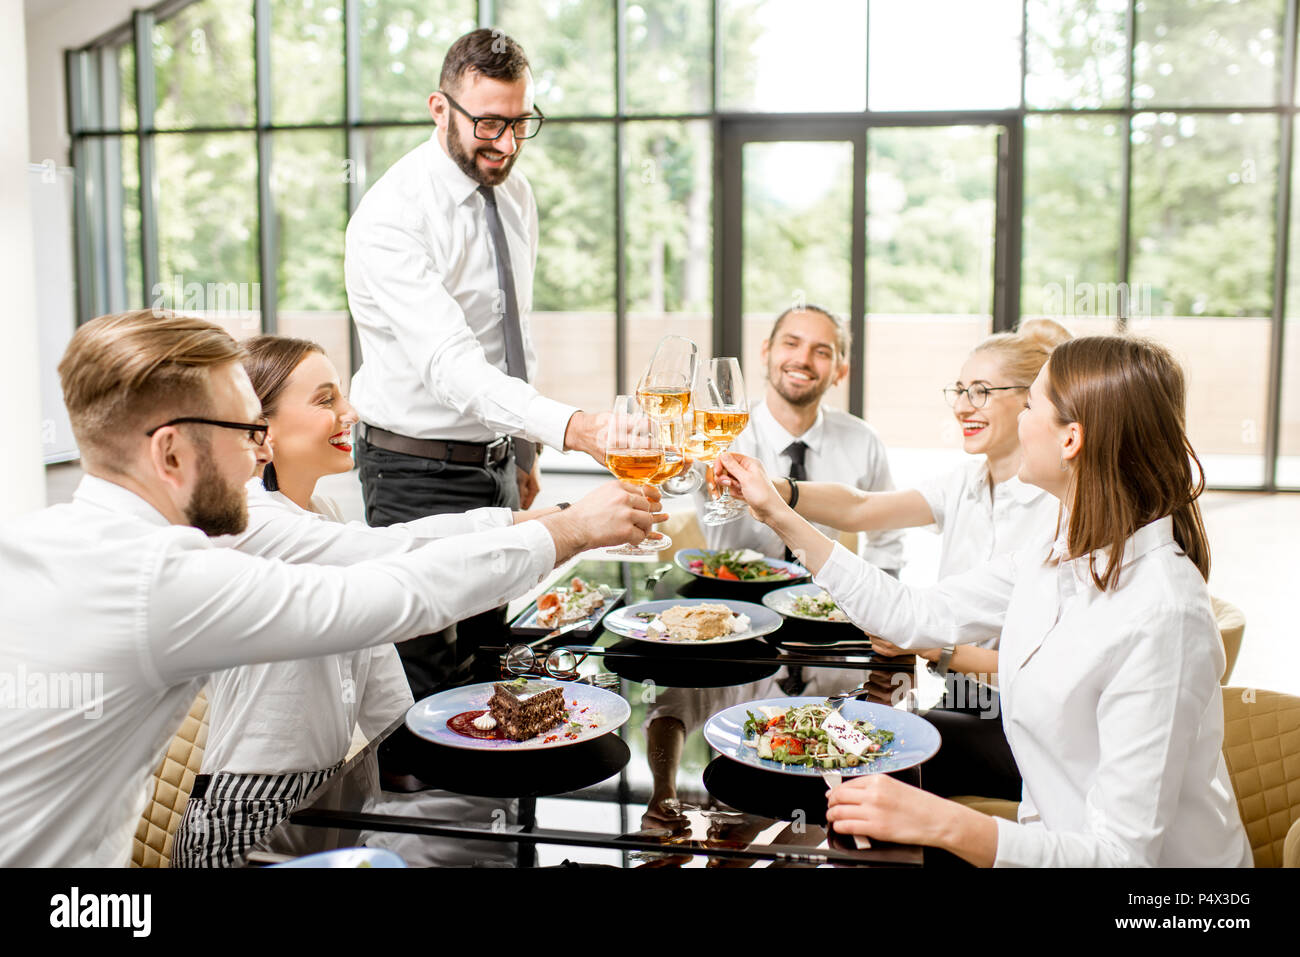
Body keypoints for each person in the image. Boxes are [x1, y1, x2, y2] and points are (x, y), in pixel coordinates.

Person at [0, 311, 659, 867]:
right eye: (246, 431)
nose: (257, 455)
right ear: (170, 453)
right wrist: (569, 530)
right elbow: (390, 590)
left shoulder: (63, 544)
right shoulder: (158, 575)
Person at [716, 335, 1252, 866]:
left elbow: (1120, 860)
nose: (1020, 419)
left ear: (1071, 440)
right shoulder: (1060, 551)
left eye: (1031, 405)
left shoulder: (1163, 613)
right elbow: (913, 614)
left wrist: (940, 821)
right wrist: (777, 512)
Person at [172, 336, 587, 867]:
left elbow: (384, 691)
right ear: (260, 430)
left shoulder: (316, 513)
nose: (351, 412)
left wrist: (468, 741)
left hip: (334, 801)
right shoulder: (250, 524)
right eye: (326, 400)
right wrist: (564, 528)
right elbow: (402, 554)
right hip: (250, 818)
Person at [345, 28, 606, 693]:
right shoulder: (391, 218)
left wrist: (523, 450)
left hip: (493, 463)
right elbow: (452, 365)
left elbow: (511, 329)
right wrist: (577, 427)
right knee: (433, 684)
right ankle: (429, 800)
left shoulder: (514, 194)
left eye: (521, 123)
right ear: (441, 109)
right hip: (413, 474)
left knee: (494, 669)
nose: (508, 144)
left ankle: (497, 800)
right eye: (490, 123)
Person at [758, 318, 1072, 799]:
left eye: (982, 391)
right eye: (960, 390)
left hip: (1025, 720)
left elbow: (1048, 666)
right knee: (843, 731)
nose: (963, 405)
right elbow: (861, 506)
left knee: (875, 746)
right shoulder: (965, 482)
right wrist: (779, 489)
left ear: (1031, 401)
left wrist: (935, 648)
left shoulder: (1060, 510)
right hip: (960, 696)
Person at [693, 305, 903, 575]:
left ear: (841, 371)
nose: (803, 359)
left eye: (822, 352)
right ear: (766, 352)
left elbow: (888, 535)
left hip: (818, 602)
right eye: (791, 343)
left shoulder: (863, 442)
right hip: (728, 598)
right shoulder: (715, 432)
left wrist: (873, 604)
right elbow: (673, 479)